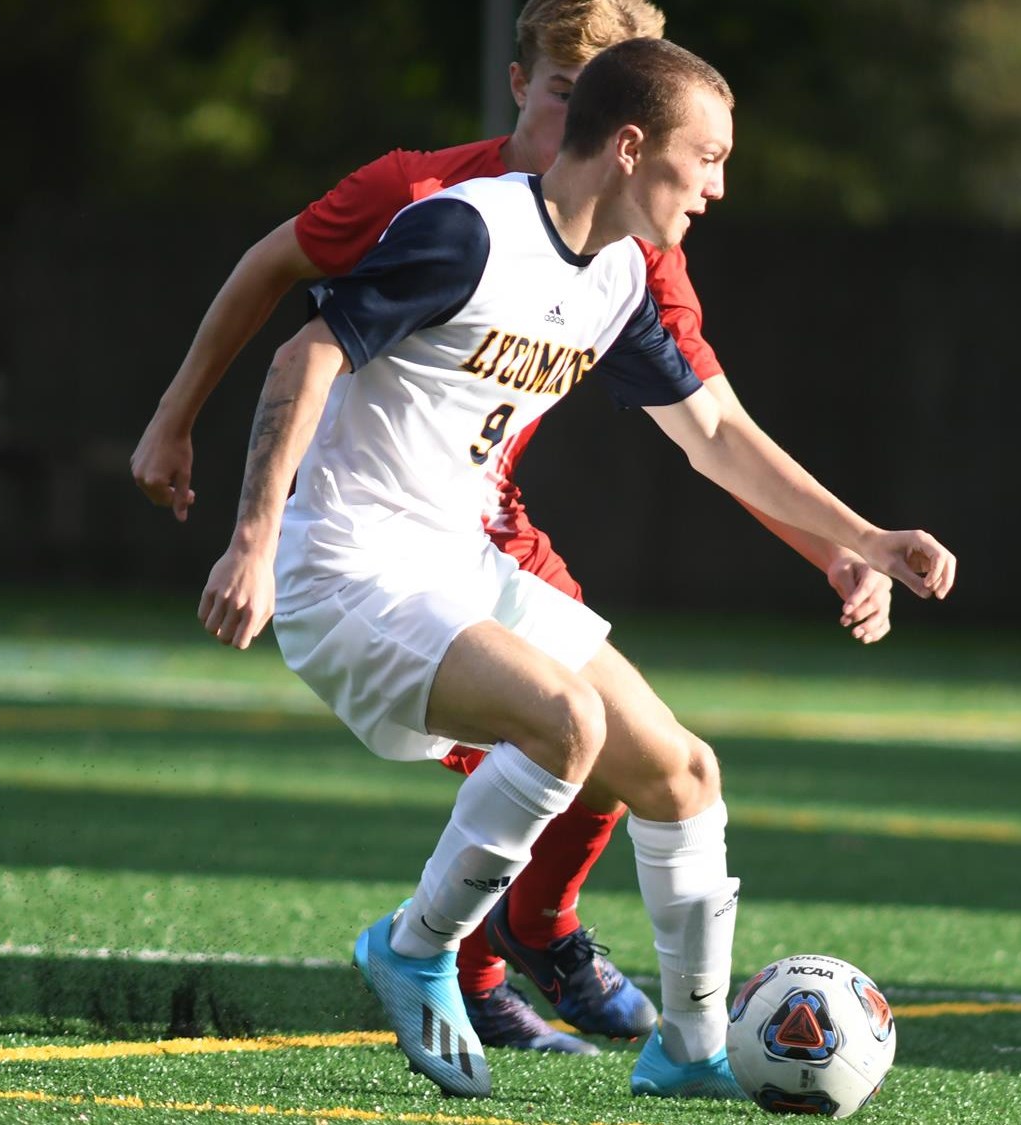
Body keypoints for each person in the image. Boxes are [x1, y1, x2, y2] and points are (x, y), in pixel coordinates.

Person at [132, 0, 896, 1059]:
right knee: (565, 725)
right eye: (706, 158)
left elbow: (712, 430)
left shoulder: (621, 271)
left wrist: (863, 537)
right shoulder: (463, 226)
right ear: (631, 147)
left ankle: (691, 1052)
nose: (718, 186)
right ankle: (419, 949)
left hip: (463, 559)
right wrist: (250, 543)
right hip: (351, 569)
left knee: (680, 773)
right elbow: (302, 355)